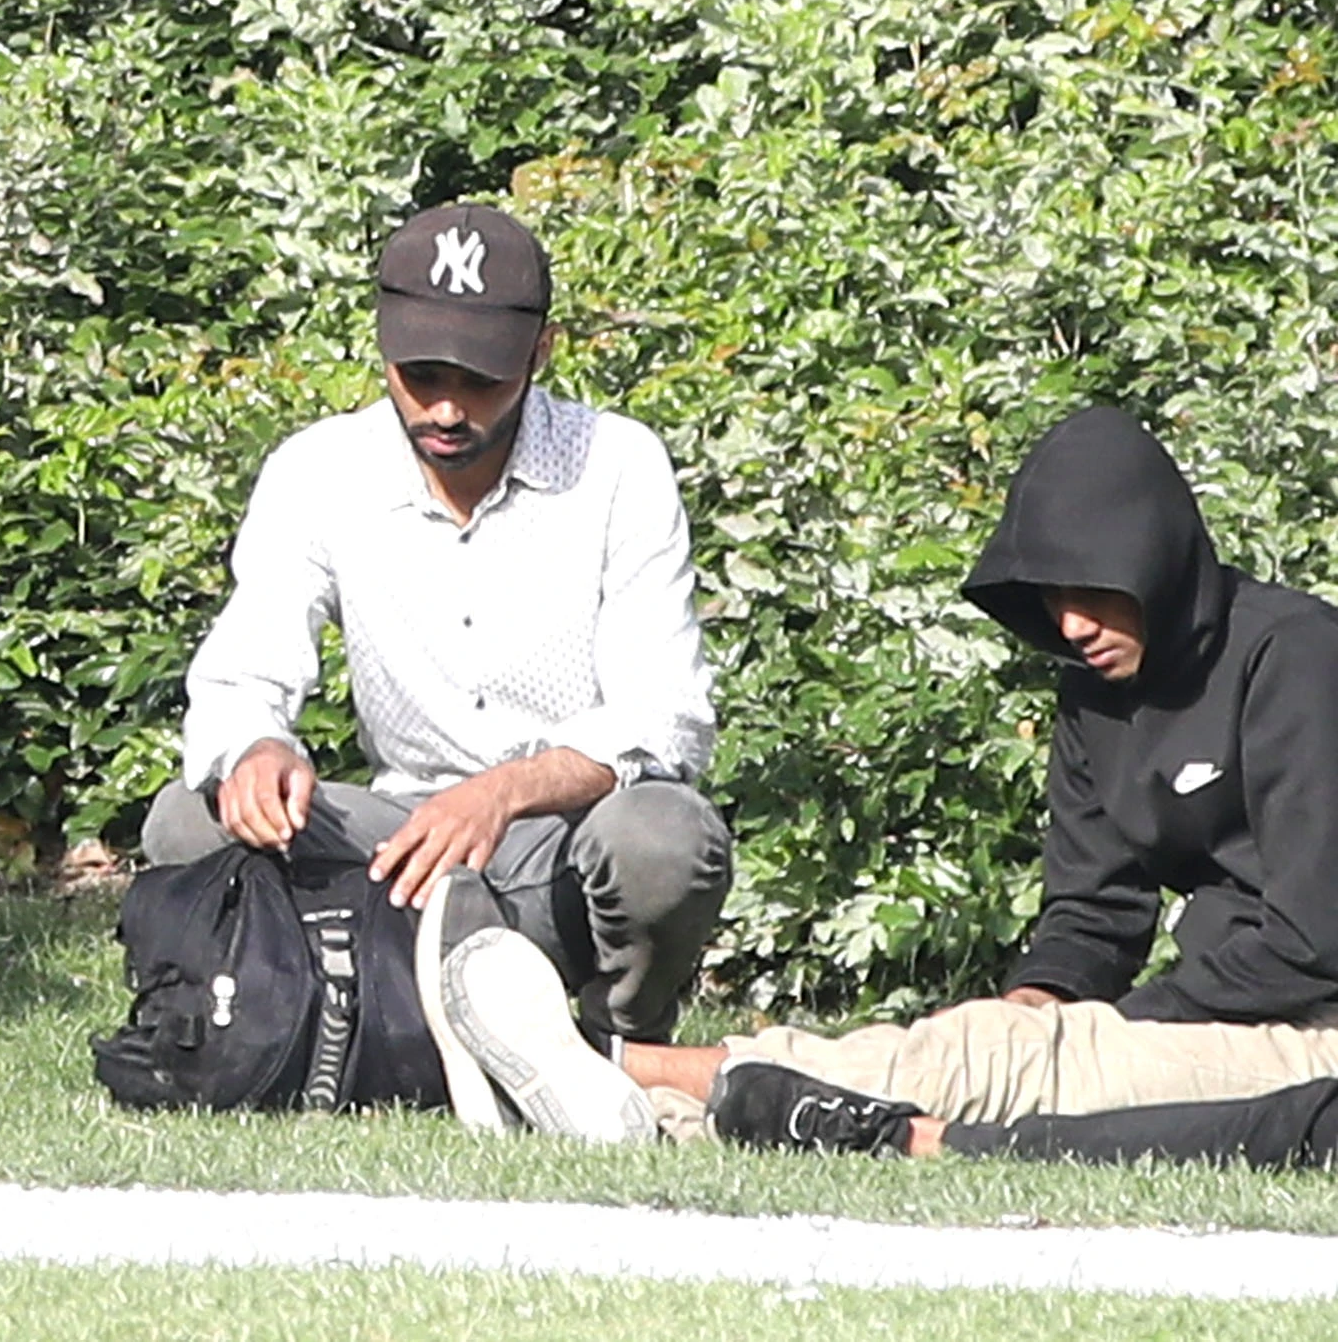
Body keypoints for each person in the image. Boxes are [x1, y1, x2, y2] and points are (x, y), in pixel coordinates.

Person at [549, 407, 1338, 1154]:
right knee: (996, 1050)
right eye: (1053, 597)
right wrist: (1037, 1000)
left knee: (1018, 1066)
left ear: (1158, 558)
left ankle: (612, 1064)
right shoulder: (1094, 692)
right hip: (1219, 1017)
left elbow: (1314, 939)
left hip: (1311, 1036)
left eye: (1096, 589)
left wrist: (1120, 1023)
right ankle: (644, 1111)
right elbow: (1095, 909)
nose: (1071, 625)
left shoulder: (1297, 659)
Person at [142, 201, 734, 1139]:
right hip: (393, 853)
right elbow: (242, 672)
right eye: (421, 375)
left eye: (482, 378)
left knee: (666, 834)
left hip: (559, 846)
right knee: (189, 814)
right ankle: (343, 1019)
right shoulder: (317, 468)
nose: (448, 408)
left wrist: (508, 790)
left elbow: (667, 719)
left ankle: (617, 1051)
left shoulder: (620, 464)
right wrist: (256, 748)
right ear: (380, 348)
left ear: (540, 353)